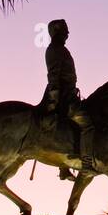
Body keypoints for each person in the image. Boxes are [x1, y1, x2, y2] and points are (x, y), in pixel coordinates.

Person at [39, 19, 94, 178]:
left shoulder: (59, 49)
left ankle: (63, 167)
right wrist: (53, 101)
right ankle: (86, 163)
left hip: (68, 94)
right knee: (87, 125)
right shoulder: (56, 50)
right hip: (65, 98)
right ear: (56, 32)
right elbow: (54, 77)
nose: (68, 33)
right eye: (65, 31)